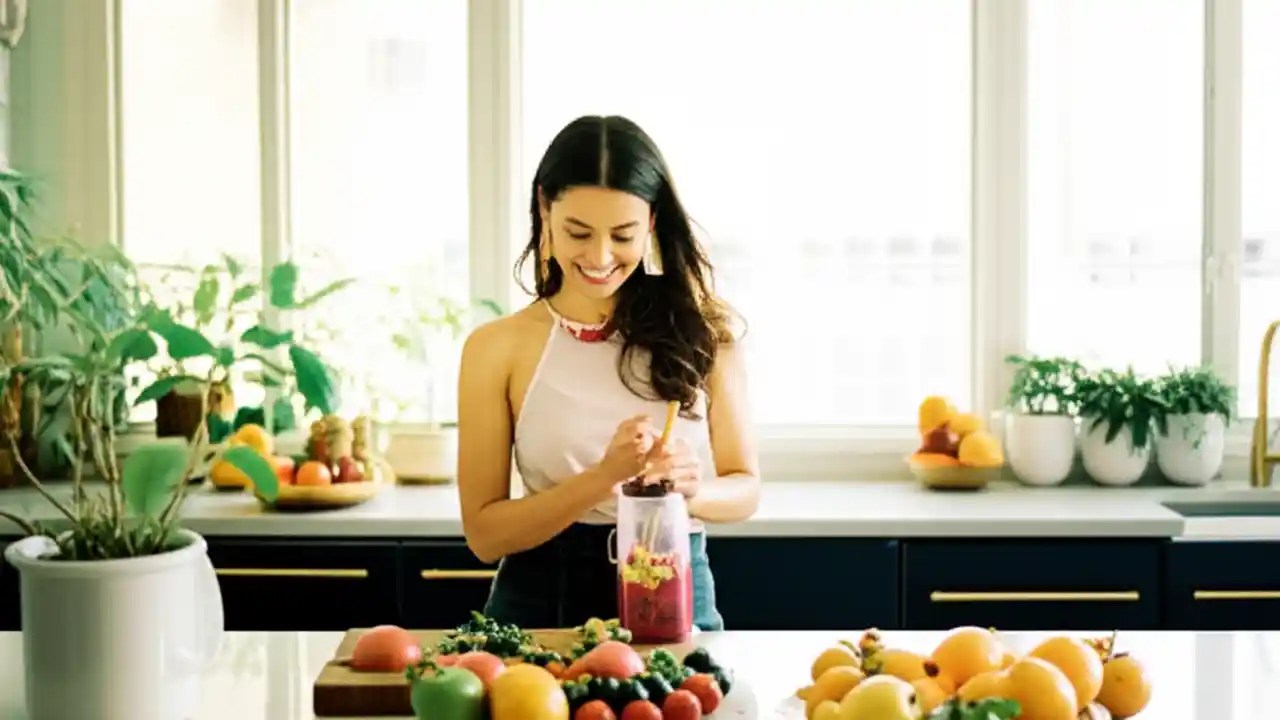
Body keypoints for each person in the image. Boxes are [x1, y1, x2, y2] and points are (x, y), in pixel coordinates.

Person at [456, 115, 761, 631]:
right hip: (541, 600)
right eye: (579, 232)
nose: (599, 257)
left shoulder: (707, 335)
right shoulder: (495, 348)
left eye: (622, 235)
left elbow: (746, 488)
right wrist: (605, 477)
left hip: (675, 586)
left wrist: (690, 492)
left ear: (652, 224)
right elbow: (485, 535)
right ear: (543, 211)